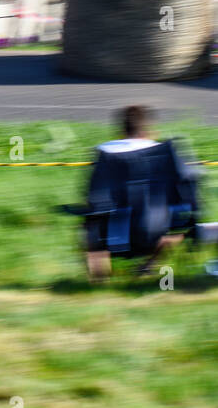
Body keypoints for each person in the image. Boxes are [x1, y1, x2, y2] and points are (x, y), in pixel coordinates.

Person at [83, 104, 196, 281]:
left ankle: (99, 281)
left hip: (113, 236)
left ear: (121, 129)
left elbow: (93, 197)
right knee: (182, 227)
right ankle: (148, 266)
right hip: (157, 230)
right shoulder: (165, 151)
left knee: (90, 223)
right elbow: (188, 186)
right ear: (148, 129)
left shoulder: (104, 152)